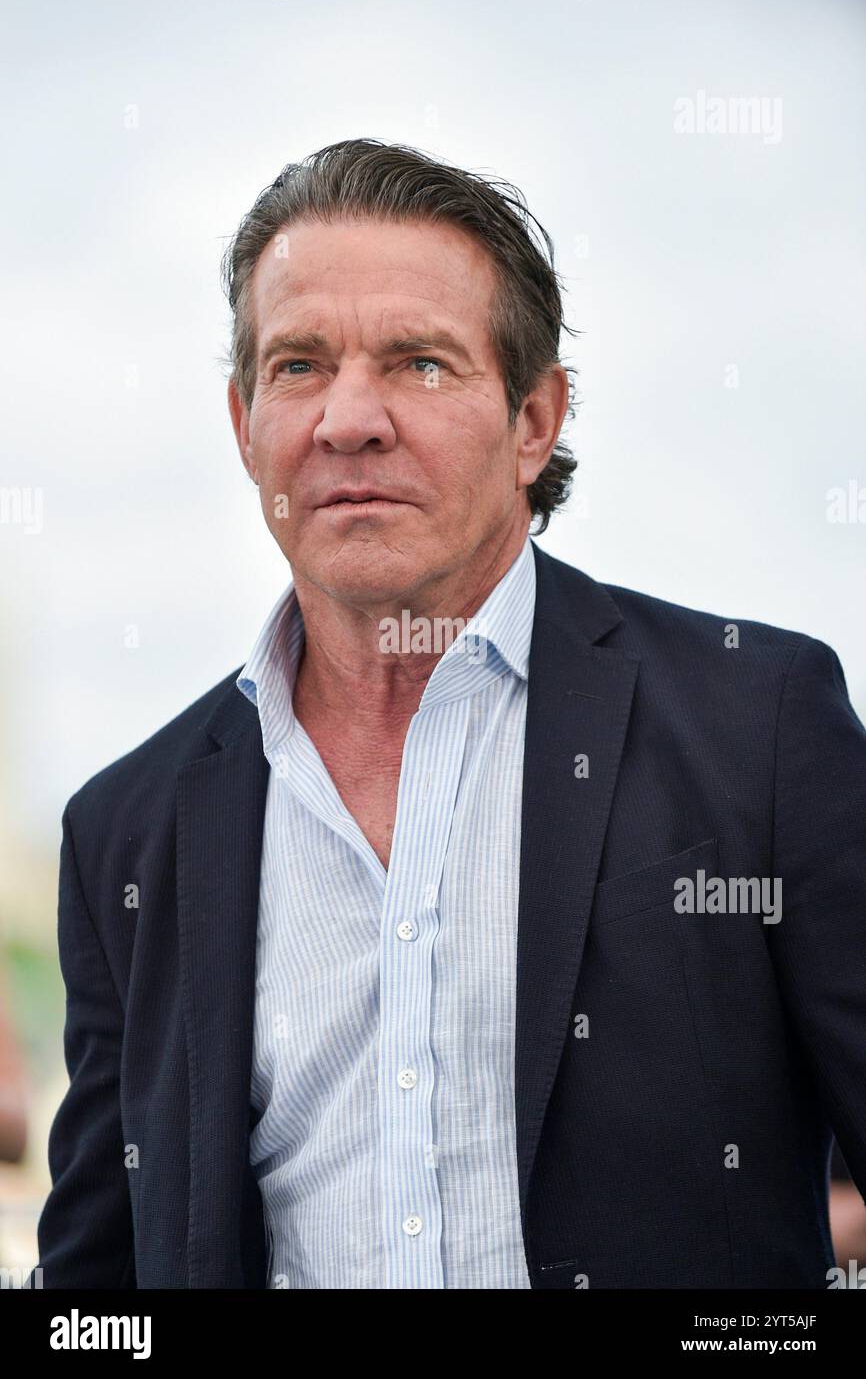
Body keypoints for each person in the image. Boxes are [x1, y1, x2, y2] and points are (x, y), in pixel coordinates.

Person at [32, 139, 866, 1289]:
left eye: (418, 363)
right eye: (298, 365)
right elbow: (100, 1281)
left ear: (533, 419)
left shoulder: (757, 724)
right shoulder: (126, 829)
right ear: (242, 421)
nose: (349, 419)